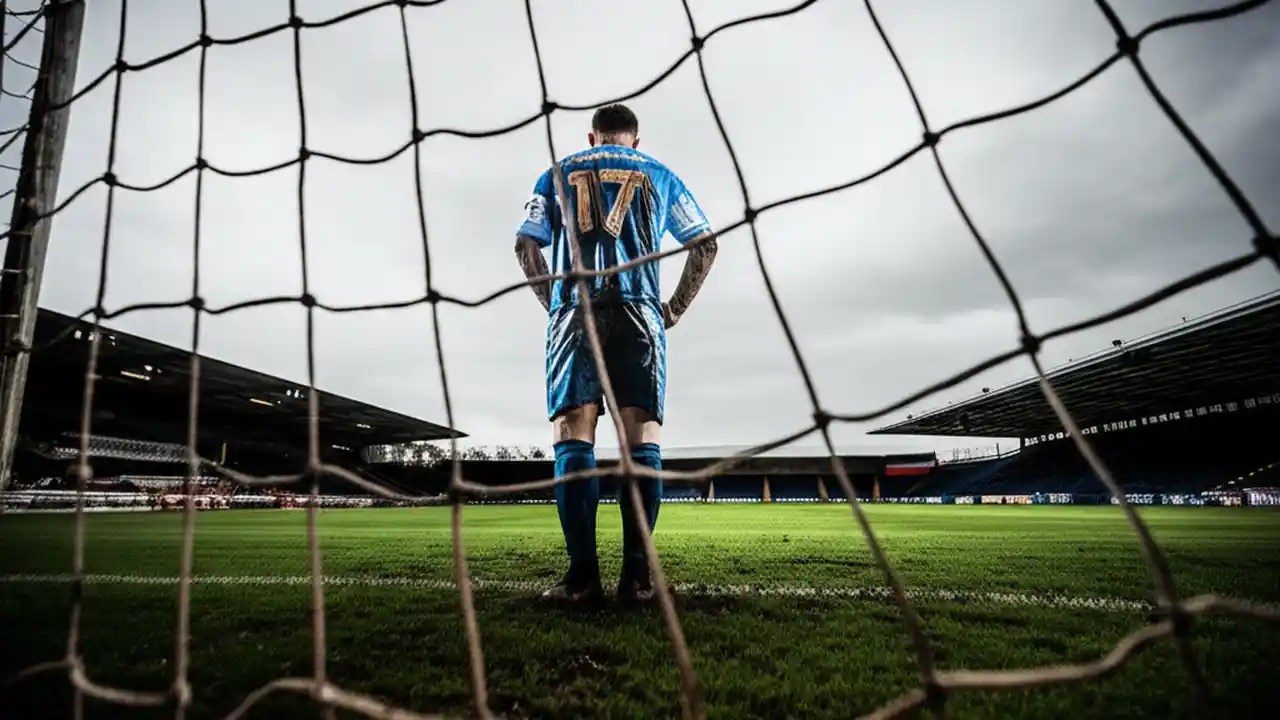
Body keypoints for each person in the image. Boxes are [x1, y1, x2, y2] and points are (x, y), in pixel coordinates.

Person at [514, 103, 718, 604]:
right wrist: (671, 309)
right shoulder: (660, 174)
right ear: (636, 140)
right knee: (641, 438)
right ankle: (638, 580)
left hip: (574, 310)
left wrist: (554, 304)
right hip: (639, 312)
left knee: (571, 434)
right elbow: (706, 245)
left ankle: (582, 580)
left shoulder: (556, 173)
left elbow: (525, 246)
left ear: (592, 136)